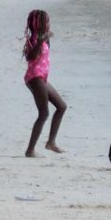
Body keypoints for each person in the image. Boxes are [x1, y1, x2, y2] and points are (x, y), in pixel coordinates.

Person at [23, 9, 67, 158]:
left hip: (42, 78)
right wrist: (42, 40)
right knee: (43, 113)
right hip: (35, 78)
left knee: (61, 106)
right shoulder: (34, 38)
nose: (49, 24)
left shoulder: (43, 38)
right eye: (46, 22)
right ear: (38, 25)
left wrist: (46, 39)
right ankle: (30, 150)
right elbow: (31, 57)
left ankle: (51, 142)